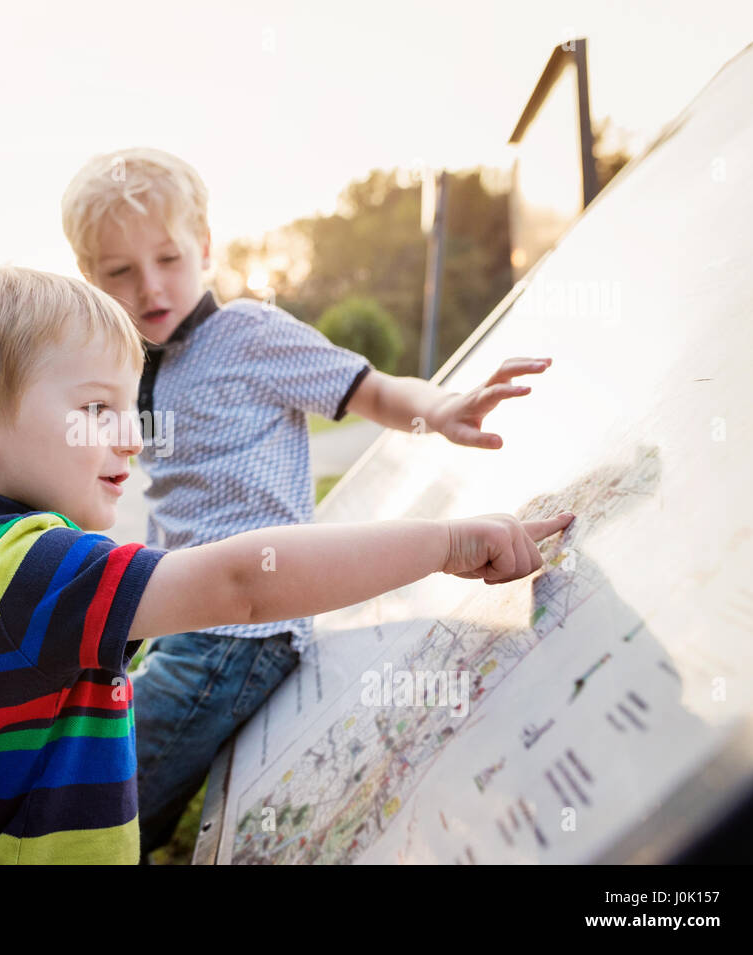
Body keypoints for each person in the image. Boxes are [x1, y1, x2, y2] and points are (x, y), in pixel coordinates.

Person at [0, 264, 572, 864]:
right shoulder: (26, 566)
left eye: (131, 407)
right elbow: (242, 582)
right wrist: (445, 544)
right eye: (97, 407)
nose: (132, 435)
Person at [60, 146, 557, 858]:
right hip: (183, 615)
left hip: (238, 631)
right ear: (91, 278)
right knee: (104, 771)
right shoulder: (132, 365)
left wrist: (442, 406)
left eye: (168, 258)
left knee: (101, 794)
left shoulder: (251, 334)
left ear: (203, 246)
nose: (149, 287)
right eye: (120, 272)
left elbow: (373, 389)